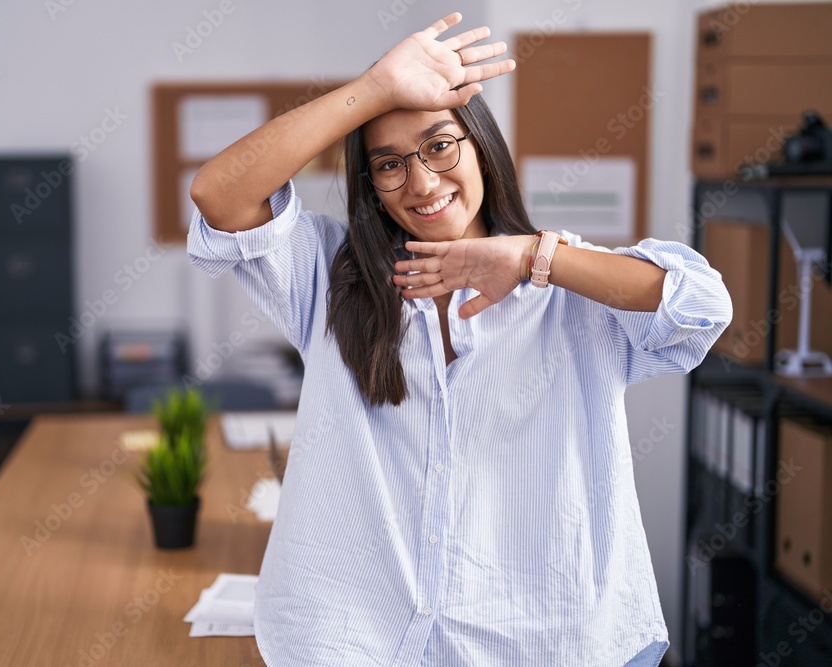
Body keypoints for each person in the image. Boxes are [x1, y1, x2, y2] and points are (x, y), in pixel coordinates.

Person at [187, 13, 732, 667]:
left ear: (482, 149)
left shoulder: (567, 286)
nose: (420, 182)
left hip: (548, 644)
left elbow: (702, 309)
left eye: (441, 146)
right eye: (388, 164)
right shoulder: (332, 277)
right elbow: (217, 194)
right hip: (357, 640)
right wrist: (376, 86)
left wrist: (536, 256)